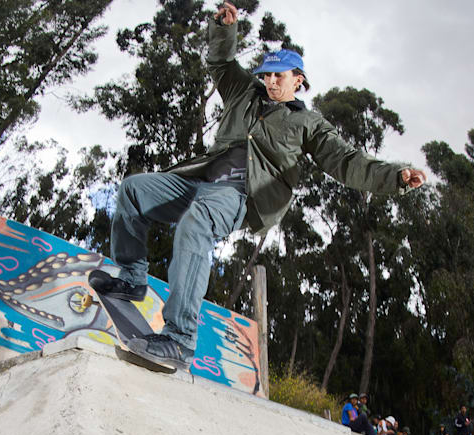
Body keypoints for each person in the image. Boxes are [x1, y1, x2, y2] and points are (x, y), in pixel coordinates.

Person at [93, 1, 427, 370]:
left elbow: (346, 161)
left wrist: (395, 176)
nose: (270, 83)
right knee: (134, 190)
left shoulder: (308, 124)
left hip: (238, 195)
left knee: (197, 222)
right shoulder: (243, 91)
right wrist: (225, 30)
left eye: (278, 77)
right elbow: (221, 63)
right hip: (198, 179)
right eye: (266, 76)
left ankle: (178, 339)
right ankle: (131, 279)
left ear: (298, 79)